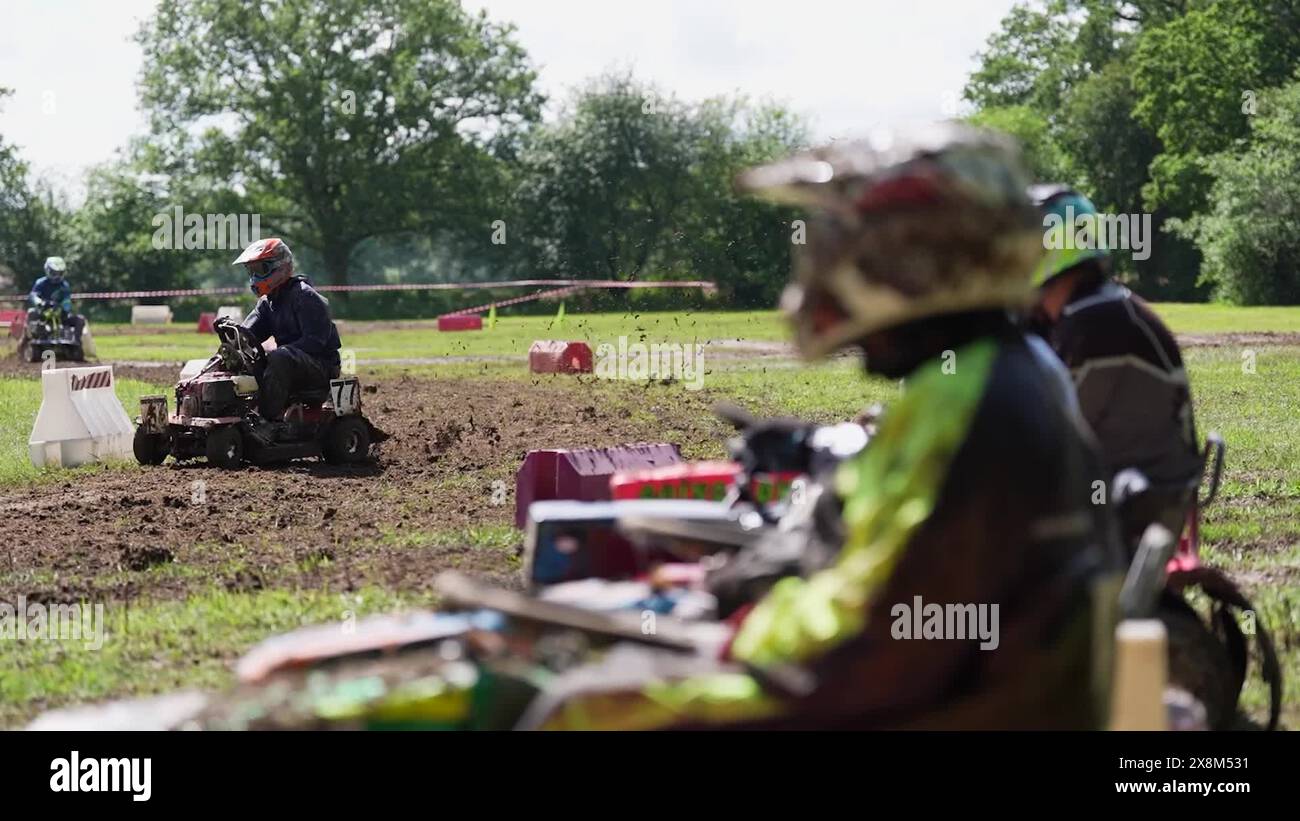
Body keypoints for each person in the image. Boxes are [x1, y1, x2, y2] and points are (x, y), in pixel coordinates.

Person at [515, 124, 1125, 730]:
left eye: (840, 247)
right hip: (980, 693)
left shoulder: (969, 401)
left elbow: (866, 641)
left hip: (940, 705)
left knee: (569, 708)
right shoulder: (997, 370)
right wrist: (732, 586)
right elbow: (874, 564)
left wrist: (725, 628)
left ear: (909, 264)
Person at [1025, 186, 1203, 532]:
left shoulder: (1099, 324)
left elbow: (1049, 438)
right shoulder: (1092, 312)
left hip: (1132, 514)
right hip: (1128, 501)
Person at [231, 238, 342, 440]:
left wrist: (276, 353)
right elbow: (246, 334)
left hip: (321, 368)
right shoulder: (268, 304)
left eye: (260, 269)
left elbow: (316, 342)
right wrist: (232, 347)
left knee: (279, 356)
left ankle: (268, 422)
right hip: (292, 363)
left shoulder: (306, 297)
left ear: (282, 267)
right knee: (245, 359)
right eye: (251, 271)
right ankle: (234, 414)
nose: (255, 277)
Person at [28, 256, 85, 343]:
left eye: (60, 273)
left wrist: (65, 307)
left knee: (80, 319)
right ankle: (28, 339)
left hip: (59, 313)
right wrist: (40, 302)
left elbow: (66, 299)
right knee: (31, 313)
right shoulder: (41, 283)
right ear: (48, 271)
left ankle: (76, 341)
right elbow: (33, 295)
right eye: (54, 273)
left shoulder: (64, 285)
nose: (57, 276)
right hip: (44, 313)